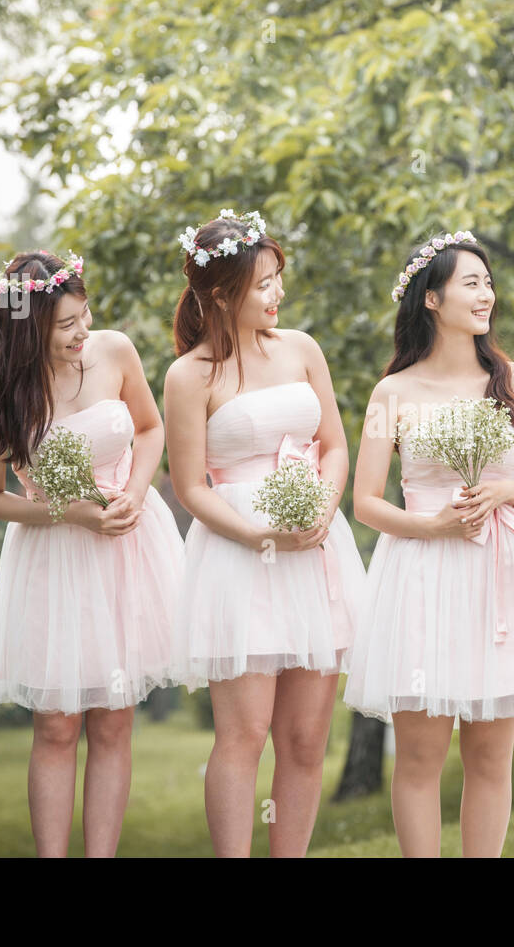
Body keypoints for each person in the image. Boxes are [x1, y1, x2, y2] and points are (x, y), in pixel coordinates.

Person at [344, 231, 514, 857]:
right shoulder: (390, 393)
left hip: (501, 571)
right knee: (420, 757)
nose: (487, 296)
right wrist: (431, 526)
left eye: (488, 283)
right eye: (471, 283)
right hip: (420, 571)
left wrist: (502, 494)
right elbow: (365, 500)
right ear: (431, 298)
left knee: (489, 755)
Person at [164, 210, 366, 857]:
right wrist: (256, 536)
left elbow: (334, 446)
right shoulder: (189, 375)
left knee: (307, 738)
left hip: (313, 548)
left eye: (280, 279)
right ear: (222, 294)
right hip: (239, 555)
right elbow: (190, 485)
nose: (279, 294)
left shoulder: (302, 349)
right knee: (245, 733)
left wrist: (321, 507)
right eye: (264, 284)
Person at [0, 249, 183, 856]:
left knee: (115, 720)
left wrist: (136, 494)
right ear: (26, 328)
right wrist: (70, 513)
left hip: (125, 548)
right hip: (53, 561)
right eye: (65, 325)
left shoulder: (115, 352)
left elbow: (150, 428)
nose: (81, 333)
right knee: (57, 724)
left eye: (83, 316)